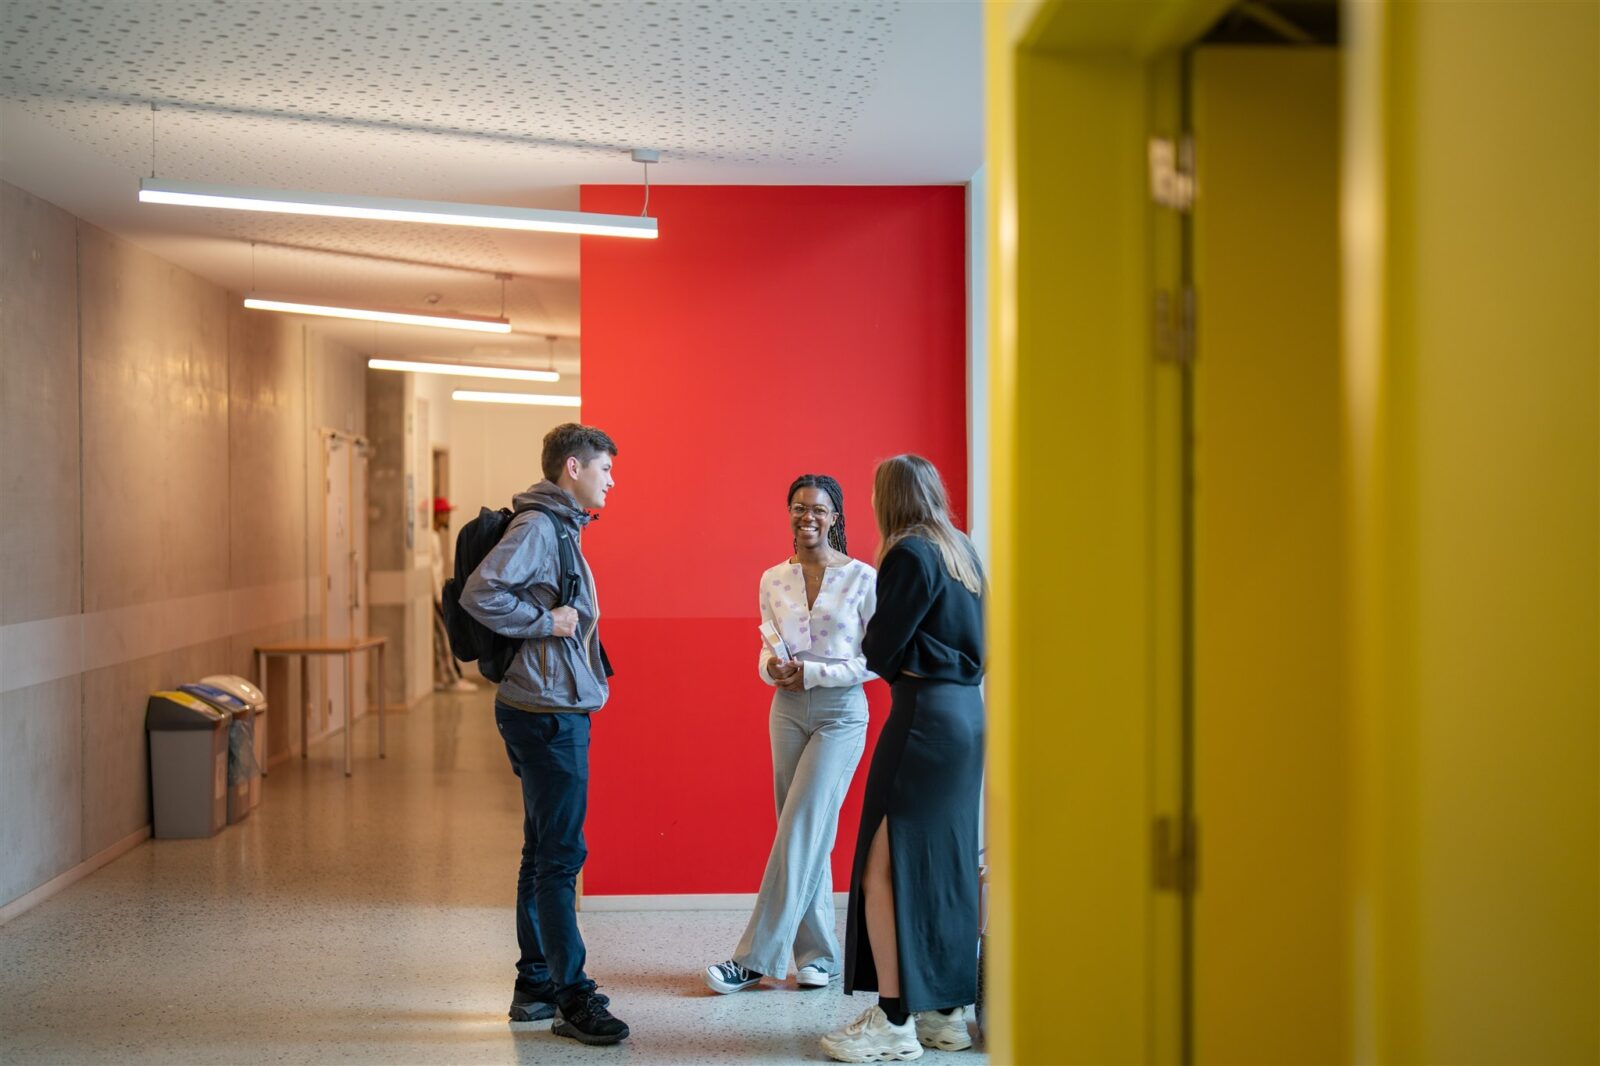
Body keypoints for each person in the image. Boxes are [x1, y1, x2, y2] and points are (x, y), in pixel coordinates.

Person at [460, 423, 629, 1047]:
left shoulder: (560, 525)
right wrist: (544, 622)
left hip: (543, 706)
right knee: (560, 857)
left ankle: (534, 985)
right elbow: (481, 593)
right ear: (572, 467)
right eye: (605, 469)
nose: (612, 481)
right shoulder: (539, 527)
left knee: (541, 853)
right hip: (547, 712)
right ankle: (572, 996)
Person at [821, 454, 986, 1063]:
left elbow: (880, 648)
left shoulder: (909, 553)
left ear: (886, 499)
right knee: (946, 862)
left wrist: (889, 647)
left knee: (881, 868)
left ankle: (893, 1022)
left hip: (923, 720)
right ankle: (946, 1014)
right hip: (967, 718)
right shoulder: (962, 551)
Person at [704, 475, 878, 995]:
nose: (808, 517)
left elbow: (877, 659)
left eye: (819, 509)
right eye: (799, 508)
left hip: (841, 713)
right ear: (789, 513)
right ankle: (819, 957)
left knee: (801, 826)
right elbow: (768, 644)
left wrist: (815, 674)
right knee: (803, 832)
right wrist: (771, 668)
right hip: (786, 710)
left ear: (835, 517)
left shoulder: (862, 578)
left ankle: (754, 958)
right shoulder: (773, 579)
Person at [430, 497, 478, 693]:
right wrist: (438, 597)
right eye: (445, 513)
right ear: (438, 515)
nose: (448, 516)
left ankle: (447, 676)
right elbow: (432, 572)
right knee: (443, 637)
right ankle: (451, 679)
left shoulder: (434, 537)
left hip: (436, 595)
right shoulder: (431, 538)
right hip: (434, 597)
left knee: (441, 637)